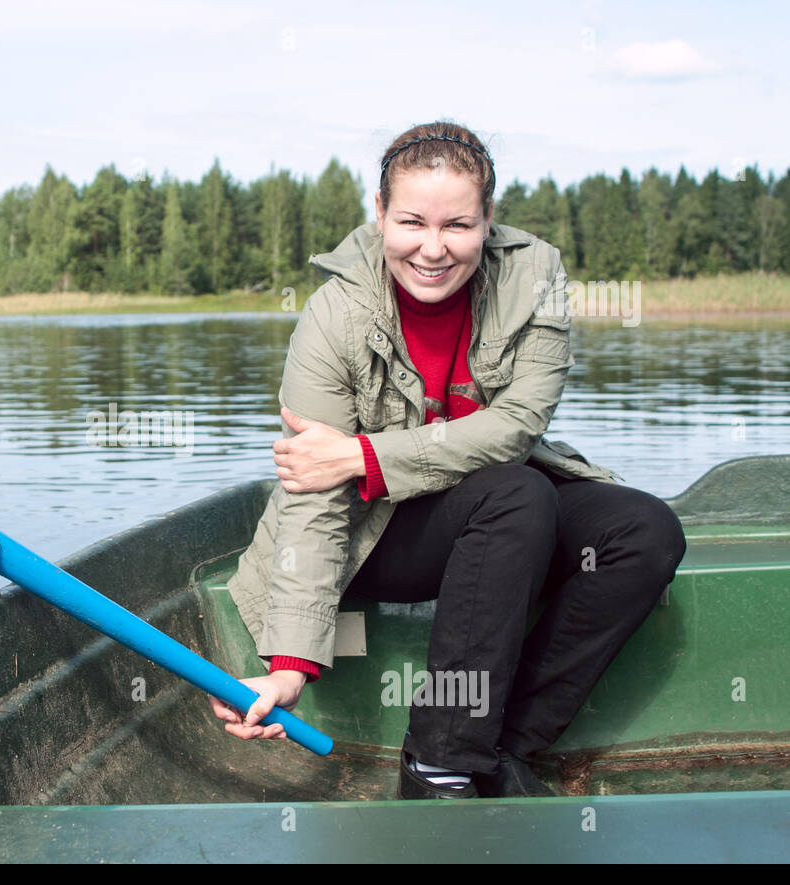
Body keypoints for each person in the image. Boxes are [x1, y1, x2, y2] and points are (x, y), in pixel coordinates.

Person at [213, 120, 687, 798]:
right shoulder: (331, 315)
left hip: (500, 507)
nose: (433, 249)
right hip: (378, 532)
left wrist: (363, 453)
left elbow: (517, 427)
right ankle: (439, 759)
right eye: (412, 221)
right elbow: (316, 492)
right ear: (378, 214)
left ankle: (508, 743)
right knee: (515, 495)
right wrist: (289, 665)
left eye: (458, 225)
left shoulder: (537, 276)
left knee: (643, 532)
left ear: (488, 220)